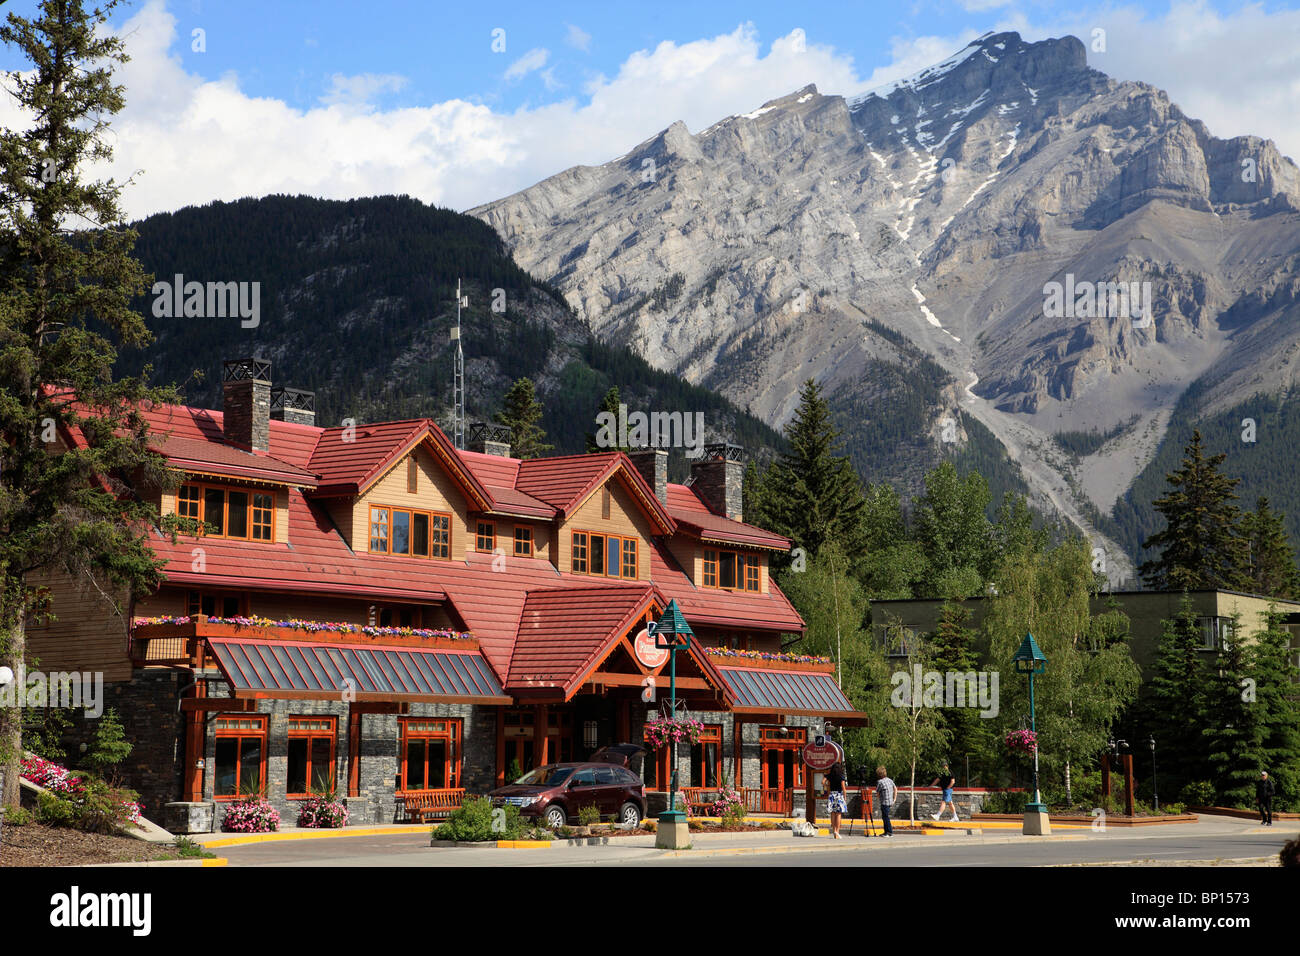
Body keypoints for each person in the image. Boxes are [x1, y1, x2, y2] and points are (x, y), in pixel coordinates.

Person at [825, 761, 847, 838]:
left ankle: (834, 830)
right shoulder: (841, 776)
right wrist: (844, 797)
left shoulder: (830, 776)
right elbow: (843, 788)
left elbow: (823, 782)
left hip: (831, 795)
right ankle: (837, 831)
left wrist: (827, 786)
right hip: (839, 795)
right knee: (838, 813)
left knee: (833, 813)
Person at [875, 766, 896, 837]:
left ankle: (888, 832)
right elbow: (895, 788)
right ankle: (887, 831)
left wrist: (880, 798)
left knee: (885, 817)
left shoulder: (880, 782)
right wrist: (894, 799)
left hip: (884, 802)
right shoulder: (890, 780)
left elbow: (877, 792)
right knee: (885, 816)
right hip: (890, 801)